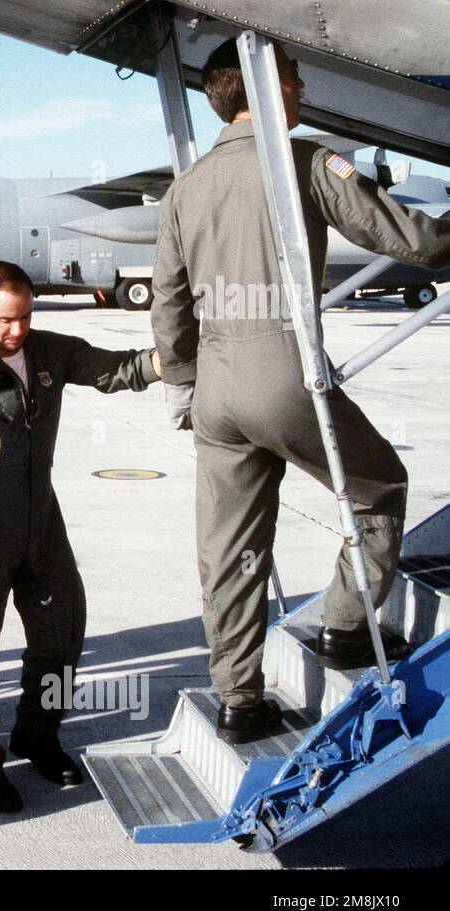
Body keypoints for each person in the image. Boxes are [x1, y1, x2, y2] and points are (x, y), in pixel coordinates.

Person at [151, 39, 450, 744]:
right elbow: (411, 240)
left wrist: (183, 382)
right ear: (265, 82)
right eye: (294, 73)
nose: (304, 85)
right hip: (283, 374)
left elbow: (167, 302)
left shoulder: (185, 187)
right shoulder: (307, 160)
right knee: (379, 485)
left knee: (228, 549)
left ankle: (239, 700)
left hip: (215, 392)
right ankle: (348, 628)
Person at [0, 261, 162, 812]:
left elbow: (119, 369)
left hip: (41, 526)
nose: (16, 330)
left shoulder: (49, 351)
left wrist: (174, 358)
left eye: (25, 316)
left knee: (61, 636)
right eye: (4, 320)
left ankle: (38, 735)